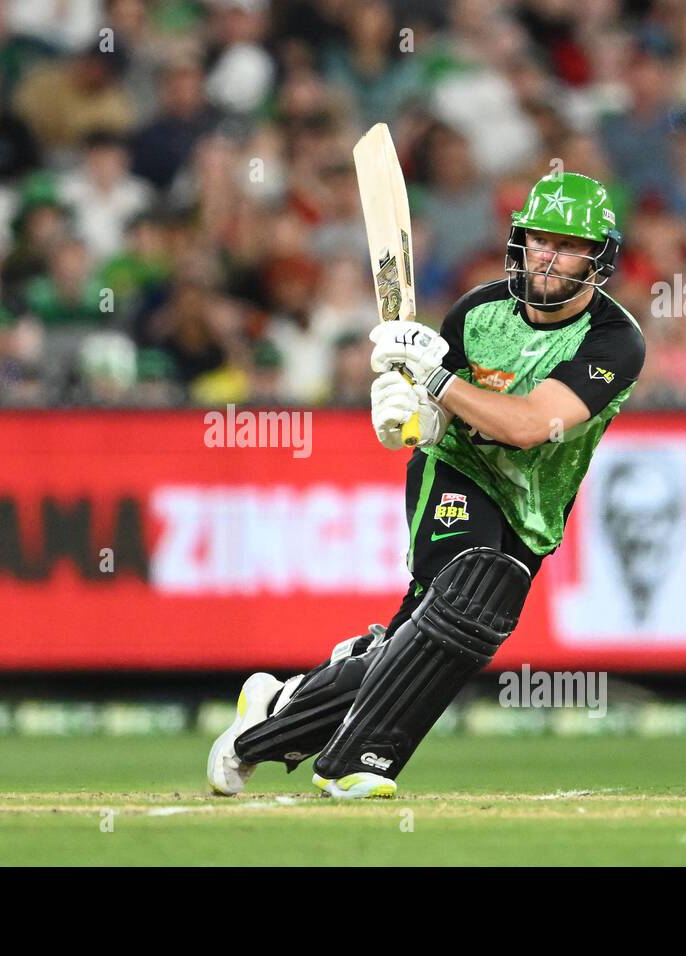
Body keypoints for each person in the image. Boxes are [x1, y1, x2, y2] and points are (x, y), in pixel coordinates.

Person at [208, 172, 646, 799]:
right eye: (538, 240)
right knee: (476, 586)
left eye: (567, 245)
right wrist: (407, 417)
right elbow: (440, 417)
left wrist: (435, 380)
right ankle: (357, 762)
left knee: (437, 637)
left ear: (598, 257)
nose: (547, 257)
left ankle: (278, 710)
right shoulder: (478, 312)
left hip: (533, 508)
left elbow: (530, 426)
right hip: (456, 471)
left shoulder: (615, 341)